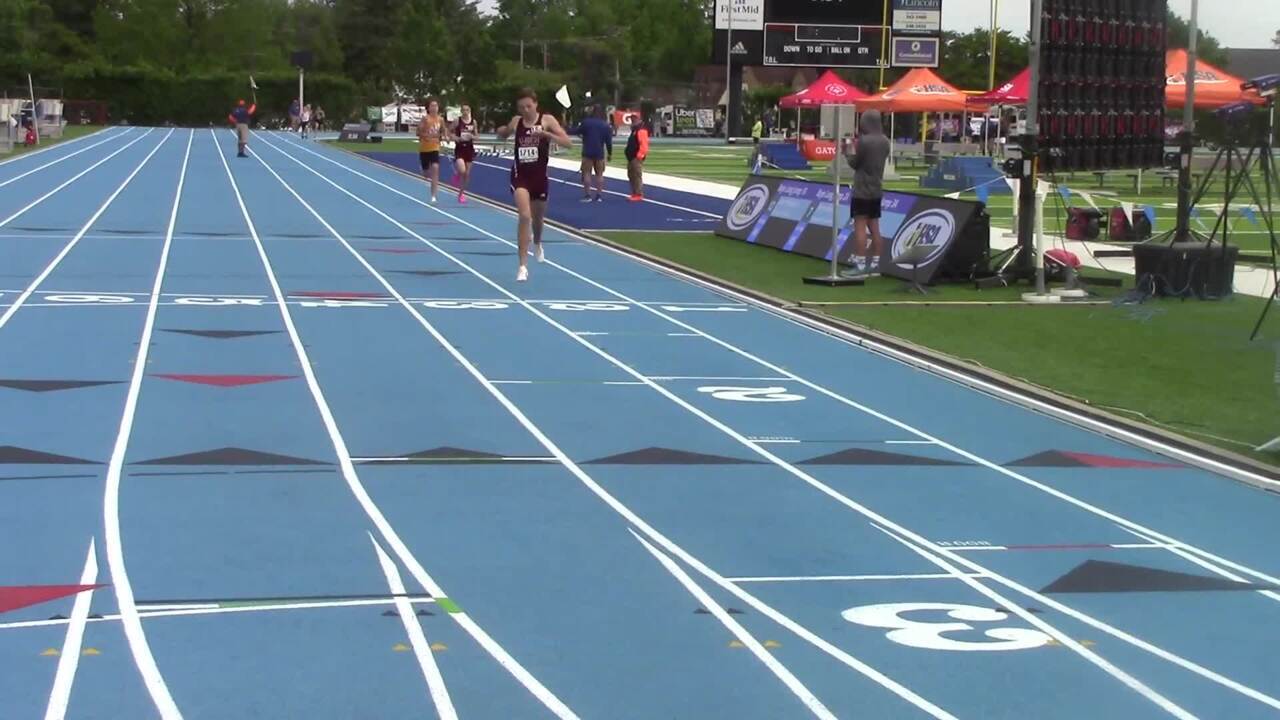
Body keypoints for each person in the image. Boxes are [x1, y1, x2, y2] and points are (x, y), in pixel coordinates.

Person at [495, 88, 573, 282]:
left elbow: (568, 143)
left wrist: (547, 135)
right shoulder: (516, 121)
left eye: (529, 106)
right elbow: (502, 134)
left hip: (540, 177)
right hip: (520, 176)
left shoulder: (546, 120)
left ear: (536, 105)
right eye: (521, 107)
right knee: (524, 216)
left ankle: (537, 242)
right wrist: (502, 132)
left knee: (538, 220)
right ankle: (522, 265)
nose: (525, 110)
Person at [846, 109, 891, 275]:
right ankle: (876, 264)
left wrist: (847, 150)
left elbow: (855, 163)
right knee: (875, 228)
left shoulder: (864, 141)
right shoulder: (885, 141)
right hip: (876, 189)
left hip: (862, 190)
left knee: (859, 226)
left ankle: (860, 263)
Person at [575, 105, 612, 202]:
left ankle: (588, 195)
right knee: (599, 174)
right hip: (599, 152)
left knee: (587, 173)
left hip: (587, 152)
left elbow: (577, 131)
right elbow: (608, 141)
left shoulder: (586, 122)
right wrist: (610, 153)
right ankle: (599, 195)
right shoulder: (605, 125)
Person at [416, 98, 449, 203]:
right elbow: (418, 133)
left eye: (436, 106)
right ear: (429, 108)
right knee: (426, 174)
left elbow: (444, 130)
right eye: (432, 106)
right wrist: (426, 136)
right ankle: (424, 169)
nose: (434, 108)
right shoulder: (425, 119)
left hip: (435, 147)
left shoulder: (440, 119)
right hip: (424, 149)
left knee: (435, 168)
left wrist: (446, 137)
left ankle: (433, 196)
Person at [452, 103, 478, 203]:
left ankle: (461, 194)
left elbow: (477, 135)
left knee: (467, 174)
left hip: (469, 149)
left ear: (470, 111)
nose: (465, 112)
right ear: (461, 111)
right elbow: (449, 132)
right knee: (463, 171)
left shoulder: (473, 122)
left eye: (467, 110)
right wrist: (456, 138)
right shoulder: (457, 121)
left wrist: (473, 137)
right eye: (464, 110)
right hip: (459, 149)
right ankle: (458, 174)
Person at [624, 113, 649, 202]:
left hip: (636, 157)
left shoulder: (641, 130)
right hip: (631, 157)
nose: (632, 120)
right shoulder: (635, 130)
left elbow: (644, 145)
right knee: (631, 175)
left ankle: (638, 193)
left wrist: (639, 156)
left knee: (636, 175)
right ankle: (634, 192)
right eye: (632, 119)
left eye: (634, 118)